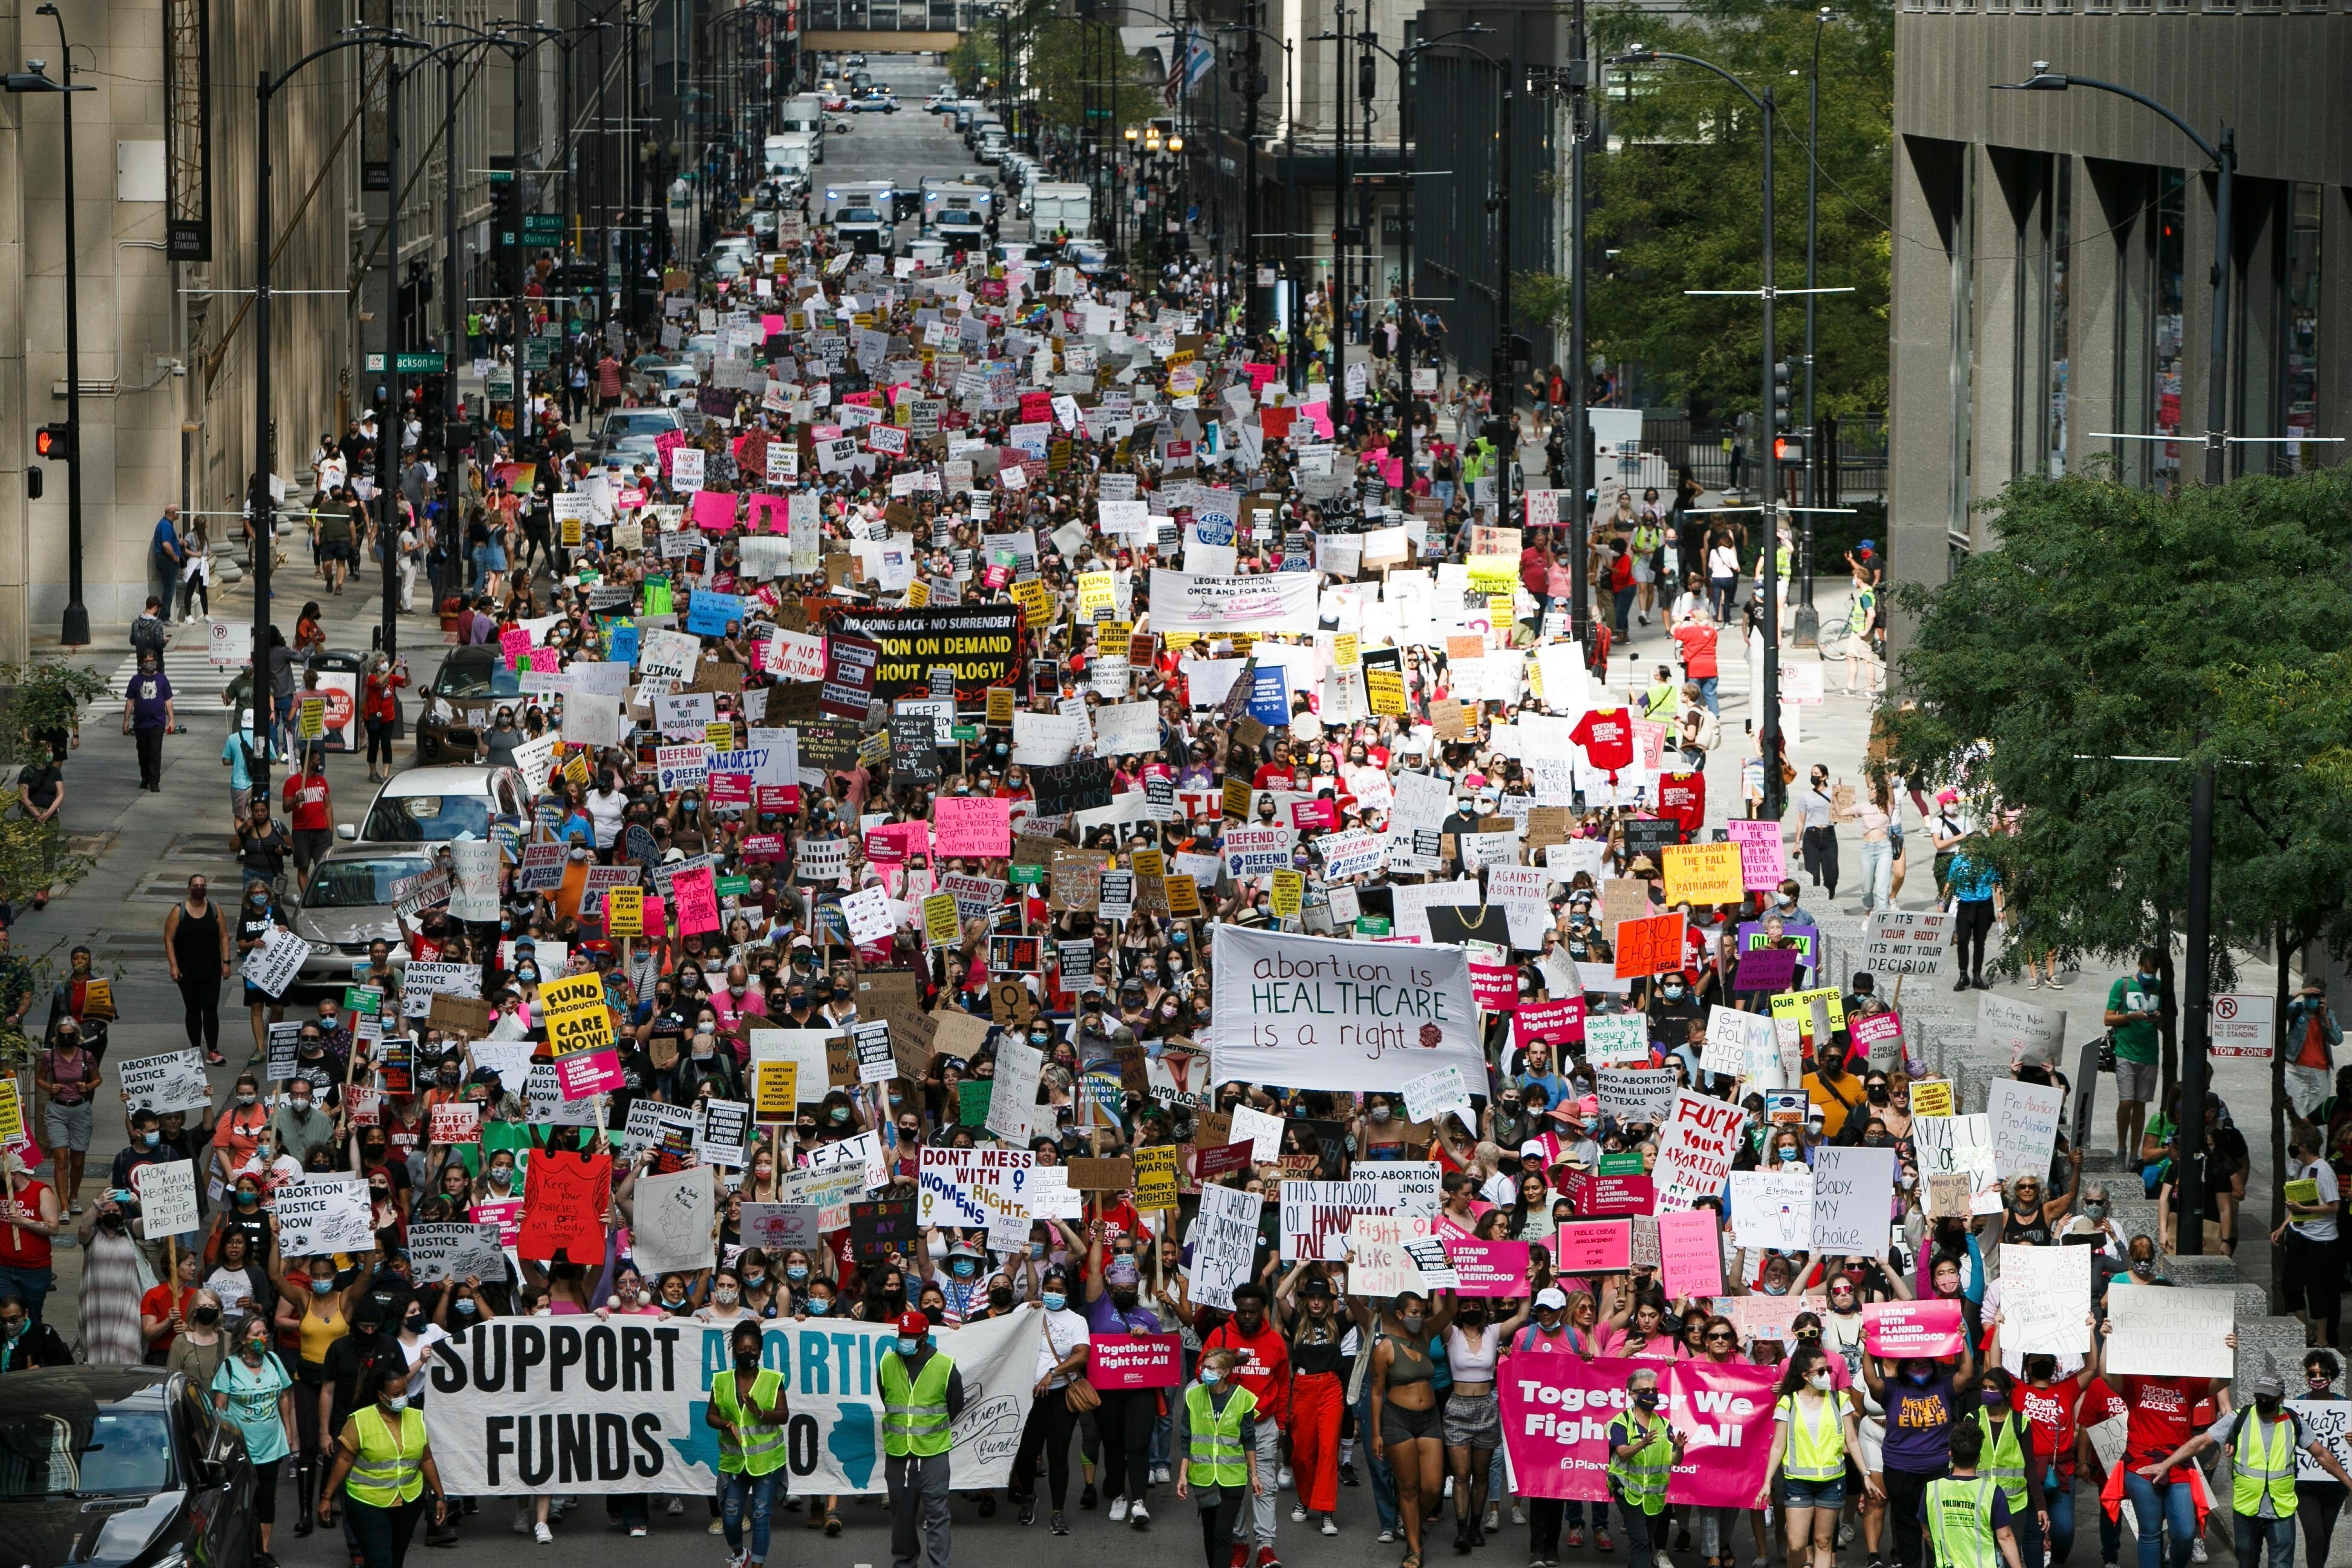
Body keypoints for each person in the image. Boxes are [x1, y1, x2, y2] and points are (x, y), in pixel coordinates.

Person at [2134, 1370, 2352, 1568]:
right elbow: (2200, 1442)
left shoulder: (2294, 1421)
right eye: (2260, 1395)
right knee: (2247, 1563)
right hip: (2247, 1509)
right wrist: (2166, 1464)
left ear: (2282, 1398)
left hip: (2282, 1510)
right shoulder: (2240, 1418)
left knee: (2281, 1564)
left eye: (2269, 1396)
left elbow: (2322, 1455)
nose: (2263, 1400)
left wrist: (2349, 1483)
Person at [319, 1353, 444, 1568]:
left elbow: (426, 1459)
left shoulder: (416, 1417)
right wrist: (327, 1497)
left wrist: (440, 1496)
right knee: (380, 1561)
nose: (402, 1397)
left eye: (404, 1391)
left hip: (408, 1501)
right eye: (396, 1394)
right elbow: (344, 1460)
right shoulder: (360, 1421)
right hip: (368, 1503)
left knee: (396, 1559)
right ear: (381, 1396)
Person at [1203, 1281, 1290, 1568]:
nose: (1248, 1317)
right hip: (1227, 1425)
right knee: (1233, 1488)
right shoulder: (1221, 1335)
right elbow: (1201, 1372)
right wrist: (1229, 1360)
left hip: (1263, 1425)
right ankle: (1239, 1544)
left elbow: (1282, 1384)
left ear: (1263, 1310)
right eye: (1243, 1312)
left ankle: (1266, 1548)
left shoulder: (1276, 1342)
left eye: (1254, 1312)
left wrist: (1280, 1423)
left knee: (1264, 1485)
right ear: (1236, 1310)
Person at [880, 1306, 962, 1568]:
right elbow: (887, 1399)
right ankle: (905, 1562)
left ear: (924, 1338)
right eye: (901, 1334)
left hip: (933, 1452)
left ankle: (940, 1565)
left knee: (937, 1513)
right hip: (898, 1453)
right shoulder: (886, 1363)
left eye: (910, 1336)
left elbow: (954, 1406)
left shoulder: (945, 1366)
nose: (903, 1340)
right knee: (902, 1514)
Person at [215, 1313, 298, 1568]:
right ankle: (239, 1548)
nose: (262, 1339)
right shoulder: (229, 1367)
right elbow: (220, 1408)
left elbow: (284, 1395)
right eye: (256, 1335)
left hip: (271, 1445)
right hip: (242, 1449)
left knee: (267, 1496)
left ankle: (263, 1551)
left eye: (265, 1334)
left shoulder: (273, 1360)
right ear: (242, 1339)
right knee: (241, 1499)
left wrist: (289, 1430)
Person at [707, 1318, 789, 1566]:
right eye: (742, 1349)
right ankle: (740, 1554)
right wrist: (726, 1424)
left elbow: (784, 1416)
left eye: (753, 1349)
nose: (747, 1354)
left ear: (760, 1351)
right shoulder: (720, 1381)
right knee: (731, 1517)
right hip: (734, 1462)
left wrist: (759, 1411)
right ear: (734, 1352)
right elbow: (710, 1416)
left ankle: (757, 1565)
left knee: (761, 1515)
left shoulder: (774, 1379)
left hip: (767, 1461)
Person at [1178, 1348, 1264, 1568]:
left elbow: (1249, 1439)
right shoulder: (1193, 1396)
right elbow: (1187, 1439)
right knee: (1209, 1533)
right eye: (1203, 1367)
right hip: (1203, 1476)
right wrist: (1182, 1476)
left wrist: (1255, 1475)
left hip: (1232, 1478)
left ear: (1226, 1372)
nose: (1205, 1371)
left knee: (1222, 1533)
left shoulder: (1242, 1397)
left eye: (1211, 1367)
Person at [1607, 1364, 1687, 1568]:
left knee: (1647, 1541)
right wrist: (1642, 1443)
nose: (1651, 1395)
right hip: (1628, 1492)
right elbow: (1622, 1453)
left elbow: (1675, 1461)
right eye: (1645, 1391)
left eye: (1654, 1390)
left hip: (1654, 1496)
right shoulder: (1621, 1422)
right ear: (1633, 1395)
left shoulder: (1664, 1424)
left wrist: (1679, 1448)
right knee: (1640, 1540)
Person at [1924, 1418, 2026, 1568]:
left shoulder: (1932, 1490)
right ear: (1978, 1457)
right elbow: (2005, 1537)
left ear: (1951, 1454)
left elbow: (1927, 1534)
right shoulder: (1992, 1492)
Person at [2273, 1128, 2341, 1347]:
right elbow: (2298, 1206)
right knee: (2291, 1285)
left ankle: (2322, 1339)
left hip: (2320, 1241)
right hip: (2300, 1233)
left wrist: (2303, 1207)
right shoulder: (2303, 1169)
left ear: (2303, 1147)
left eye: (2295, 1142)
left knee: (2317, 1290)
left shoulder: (2323, 1171)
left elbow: (2333, 1207)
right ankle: (2306, 1330)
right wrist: (2284, 1226)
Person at [164, 875, 232, 1065]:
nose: (200, 888)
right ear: (189, 888)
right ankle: (195, 1048)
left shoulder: (214, 909)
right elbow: (169, 939)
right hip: (187, 972)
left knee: (210, 1008)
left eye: (203, 885)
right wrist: (173, 965)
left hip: (211, 970)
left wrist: (226, 962)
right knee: (193, 1009)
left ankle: (213, 1050)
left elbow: (224, 936)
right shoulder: (179, 911)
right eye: (196, 886)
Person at [2105, 950, 2164, 1166]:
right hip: (2125, 1052)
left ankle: (2133, 1154)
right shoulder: (2123, 985)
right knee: (2126, 1101)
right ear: (2139, 965)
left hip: (2149, 1055)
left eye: (2153, 972)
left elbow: (2166, 1024)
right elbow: (2108, 1018)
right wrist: (2129, 1017)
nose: (2148, 975)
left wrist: (2158, 1018)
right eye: (2146, 970)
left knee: (2140, 1104)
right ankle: (2122, 1147)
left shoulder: (2160, 988)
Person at [123, 647, 177, 792]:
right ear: (141, 663)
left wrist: (171, 720)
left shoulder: (162, 679)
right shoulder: (136, 680)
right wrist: (126, 720)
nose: (150, 664)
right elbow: (130, 701)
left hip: (157, 722)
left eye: (153, 661)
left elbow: (168, 700)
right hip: (140, 723)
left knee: (155, 752)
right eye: (147, 661)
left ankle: (154, 781)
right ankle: (145, 777)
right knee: (143, 752)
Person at [0, 1287, 75, 1369]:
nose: (8, 1324)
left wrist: (41, 1367)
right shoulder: (2, 1333)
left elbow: (62, 1362)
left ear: (26, 1314)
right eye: (4, 1320)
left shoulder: (44, 1333)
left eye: (13, 1319)